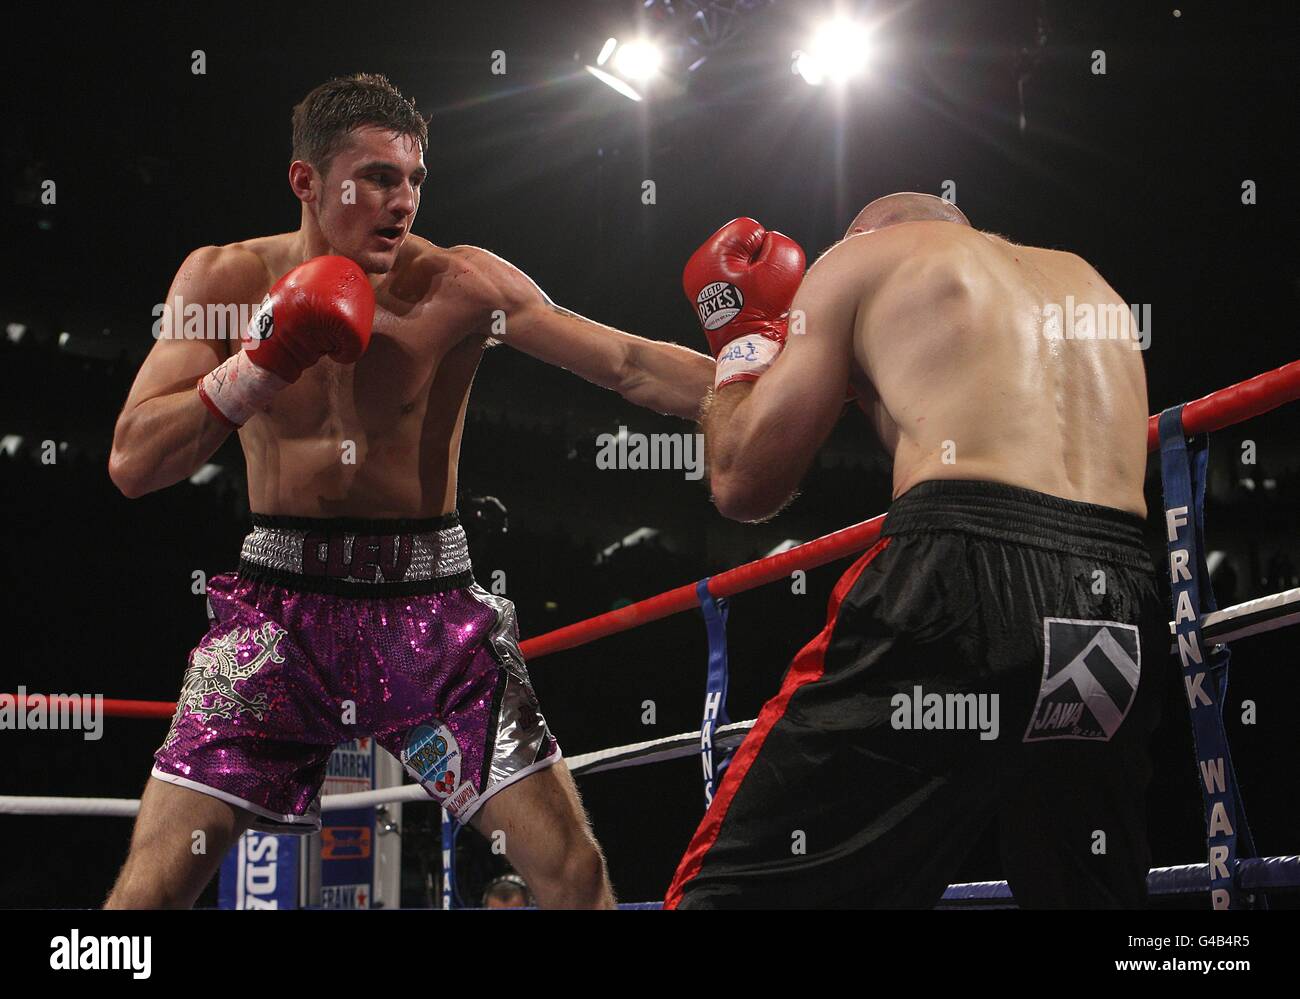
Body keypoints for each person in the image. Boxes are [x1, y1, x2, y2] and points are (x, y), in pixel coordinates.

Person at [105, 73, 713, 909]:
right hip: (277, 619)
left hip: (429, 617)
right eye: (380, 178)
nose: (404, 202)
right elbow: (134, 462)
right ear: (307, 182)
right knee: (149, 892)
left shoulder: (460, 285)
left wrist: (786, 382)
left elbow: (631, 366)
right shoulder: (222, 281)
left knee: (572, 872)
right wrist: (260, 364)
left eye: (416, 179)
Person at [666, 194, 1165, 908]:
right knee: (1088, 891)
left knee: (737, 891)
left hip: (961, 577)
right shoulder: (1089, 282)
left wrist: (741, 345)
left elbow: (741, 480)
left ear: (865, 236)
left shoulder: (857, 260)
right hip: (1116, 605)